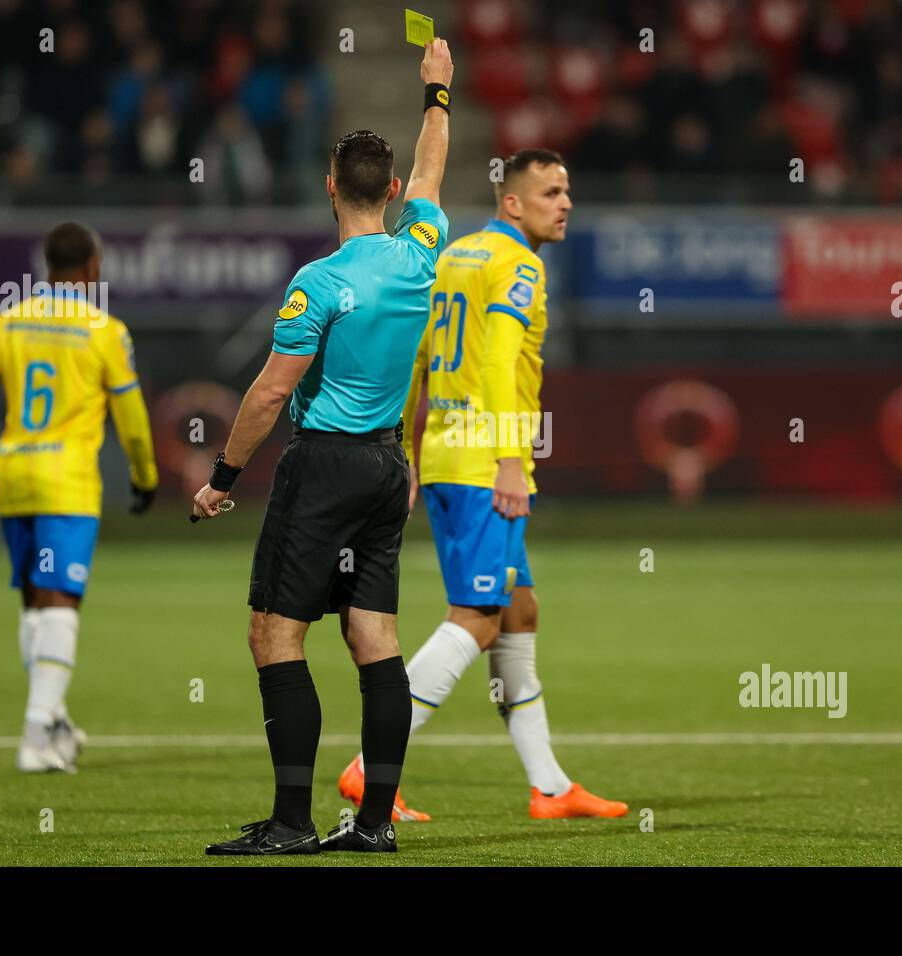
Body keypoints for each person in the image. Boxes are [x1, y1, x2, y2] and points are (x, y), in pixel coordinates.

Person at [195, 38, 453, 856]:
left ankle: (292, 823)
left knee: (274, 634)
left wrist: (223, 477)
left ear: (331, 187)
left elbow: (270, 391)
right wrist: (437, 92)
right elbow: (437, 173)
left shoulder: (322, 282)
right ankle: (374, 823)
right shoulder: (420, 253)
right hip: (388, 464)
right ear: (399, 194)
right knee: (374, 637)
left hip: (328, 463)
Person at [337, 149, 628, 821]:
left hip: (445, 453)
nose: (566, 203)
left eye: (567, 190)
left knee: (517, 613)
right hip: (483, 465)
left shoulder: (453, 257)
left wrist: (407, 449)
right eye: (551, 191)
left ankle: (550, 787)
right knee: (476, 616)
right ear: (512, 203)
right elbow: (497, 358)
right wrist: (506, 461)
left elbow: (417, 352)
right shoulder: (519, 264)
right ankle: (365, 764)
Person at [0, 222, 158, 773]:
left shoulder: (5, 324)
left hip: (12, 475)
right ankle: (33, 737)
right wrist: (145, 475)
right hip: (66, 481)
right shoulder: (105, 331)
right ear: (93, 268)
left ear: (47, 266)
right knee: (60, 603)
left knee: (33, 603)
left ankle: (52, 723)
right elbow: (134, 419)